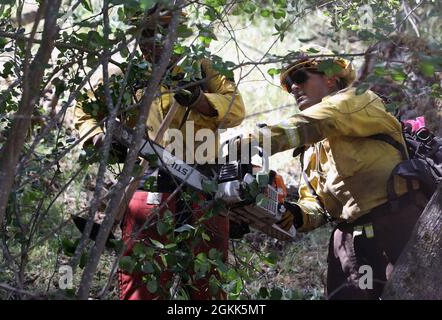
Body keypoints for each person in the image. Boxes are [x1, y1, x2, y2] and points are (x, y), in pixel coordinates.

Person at [74, 5, 245, 300]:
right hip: (147, 186)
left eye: (162, 31)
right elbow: (83, 111)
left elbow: (237, 109)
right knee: (141, 283)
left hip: (204, 186)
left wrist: (199, 99)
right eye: (146, 33)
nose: (152, 40)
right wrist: (99, 138)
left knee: (207, 287)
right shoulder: (126, 75)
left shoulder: (203, 69)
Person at [256, 45, 428, 299]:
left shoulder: (357, 100)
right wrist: (295, 215)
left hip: (397, 225)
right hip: (351, 242)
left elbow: (321, 120)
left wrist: (253, 141)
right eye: (290, 83)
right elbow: (316, 205)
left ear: (330, 77)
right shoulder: (310, 147)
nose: (293, 87)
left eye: (300, 78)